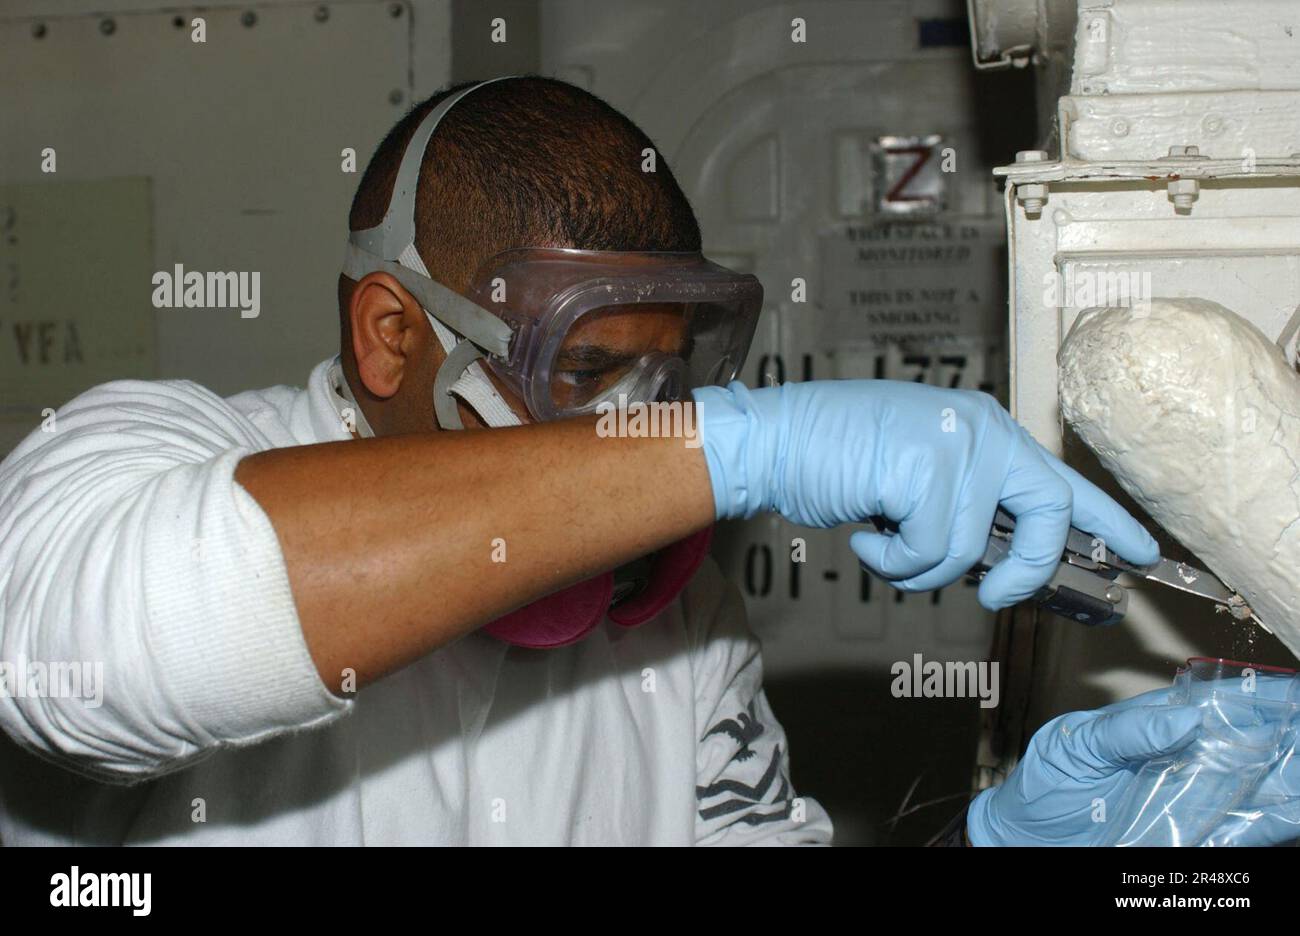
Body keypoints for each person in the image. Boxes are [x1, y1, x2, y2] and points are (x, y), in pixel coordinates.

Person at [0, 76, 1164, 845]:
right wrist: (742, 447)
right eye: (590, 371)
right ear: (394, 334)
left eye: (664, 377)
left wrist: (990, 841)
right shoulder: (144, 455)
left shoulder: (676, 620)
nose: (644, 421)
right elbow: (93, 658)